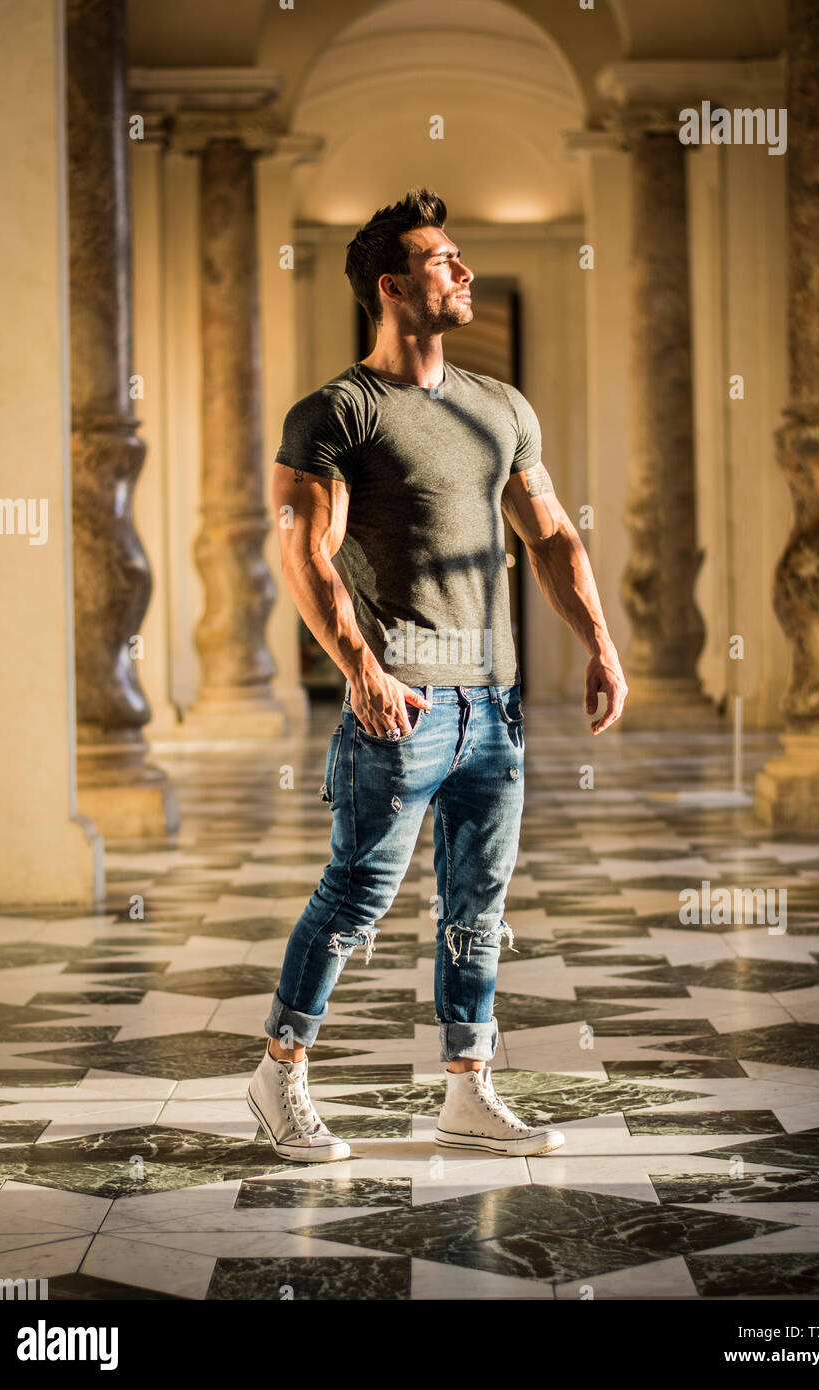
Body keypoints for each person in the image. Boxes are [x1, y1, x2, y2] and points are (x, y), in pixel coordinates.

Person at [247, 189, 627, 1162]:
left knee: (479, 907)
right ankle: (279, 1073)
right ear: (392, 286)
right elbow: (304, 553)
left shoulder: (501, 406)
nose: (463, 271)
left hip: (493, 706)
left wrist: (599, 642)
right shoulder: (336, 412)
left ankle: (468, 1089)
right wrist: (361, 669)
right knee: (357, 895)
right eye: (442, 260)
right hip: (401, 704)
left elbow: (551, 536)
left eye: (460, 258)